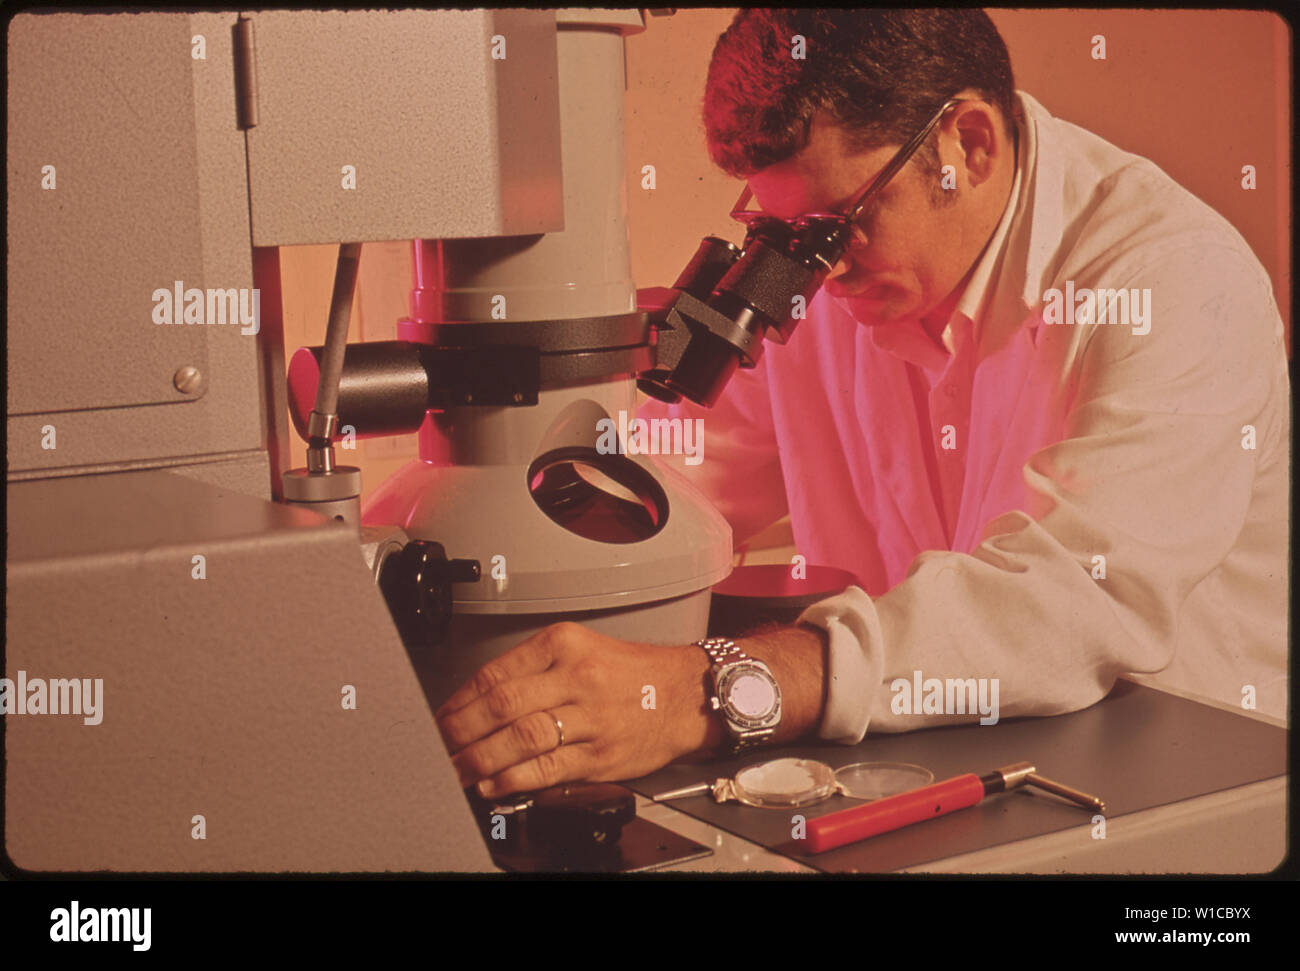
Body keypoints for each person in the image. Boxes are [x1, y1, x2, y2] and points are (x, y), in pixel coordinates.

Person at [435, 9, 1289, 799]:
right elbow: (676, 484)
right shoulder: (844, 283)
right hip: (970, 764)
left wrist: (711, 687)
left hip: (1182, 792)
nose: (821, 272)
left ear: (969, 146)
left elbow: (1076, 600)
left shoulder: (1170, 280)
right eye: (787, 236)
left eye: (837, 226)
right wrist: (509, 514)